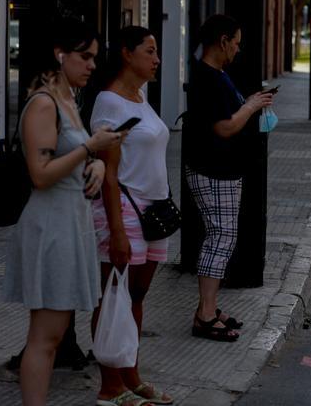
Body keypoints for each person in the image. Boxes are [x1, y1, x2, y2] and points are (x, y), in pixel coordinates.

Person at [2, 18, 125, 406]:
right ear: (61, 55)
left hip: (70, 224)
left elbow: (70, 159)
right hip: (50, 226)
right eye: (84, 56)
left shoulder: (69, 100)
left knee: (52, 336)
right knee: (45, 338)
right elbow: (40, 174)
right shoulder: (44, 102)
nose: (92, 65)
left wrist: (99, 163)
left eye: (94, 57)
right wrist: (91, 149)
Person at [90, 26, 173, 405]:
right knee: (114, 297)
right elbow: (108, 170)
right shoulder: (109, 102)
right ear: (127, 53)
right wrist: (118, 230)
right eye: (150, 51)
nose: (157, 59)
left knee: (136, 296)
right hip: (124, 208)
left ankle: (132, 376)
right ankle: (110, 387)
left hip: (155, 211)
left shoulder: (140, 97)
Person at [184, 14, 273, 341]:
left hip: (220, 169)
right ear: (222, 41)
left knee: (222, 236)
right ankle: (205, 314)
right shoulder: (209, 78)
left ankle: (208, 307)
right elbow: (225, 127)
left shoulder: (214, 75)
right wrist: (251, 106)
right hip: (213, 169)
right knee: (220, 237)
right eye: (235, 43)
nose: (237, 49)